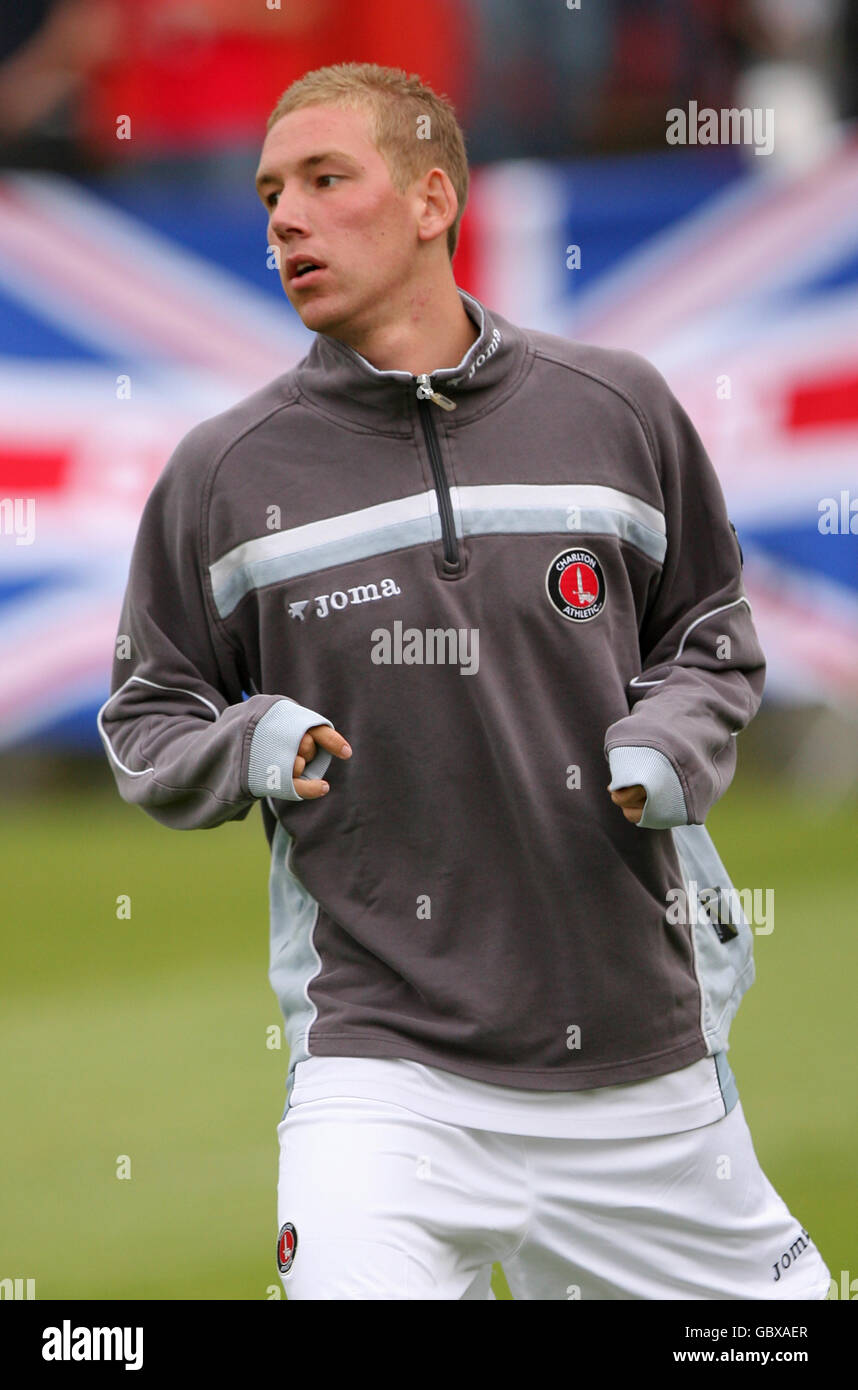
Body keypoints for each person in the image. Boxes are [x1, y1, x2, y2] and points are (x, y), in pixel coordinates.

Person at [99, 61, 831, 1301]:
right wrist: (252, 739)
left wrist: (669, 740)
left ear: (433, 199)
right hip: (383, 1074)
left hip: (644, 1072)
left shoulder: (618, 409)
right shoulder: (219, 474)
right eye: (272, 191)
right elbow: (146, 715)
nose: (286, 217)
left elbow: (709, 634)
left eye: (329, 180)